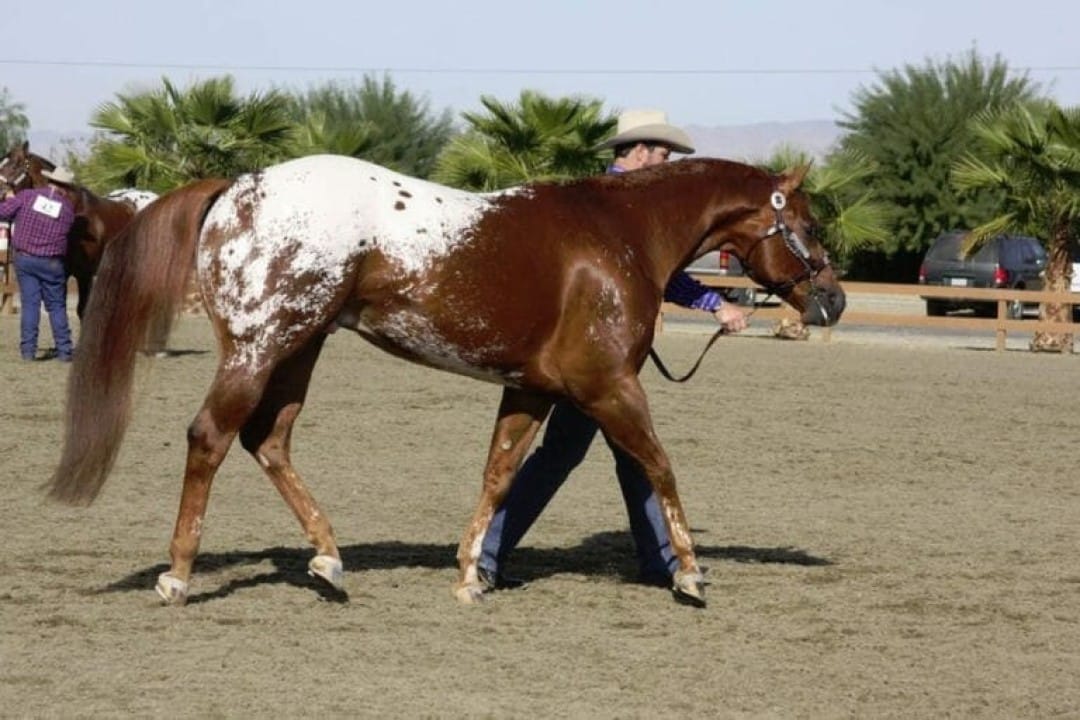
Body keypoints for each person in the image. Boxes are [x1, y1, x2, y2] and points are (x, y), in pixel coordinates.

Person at [478, 109, 750, 590]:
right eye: (663, 156)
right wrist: (714, 304)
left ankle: (655, 560)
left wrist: (712, 303)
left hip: (594, 355)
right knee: (587, 454)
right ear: (640, 151)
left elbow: (656, 274)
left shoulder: (616, 206)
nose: (666, 167)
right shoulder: (609, 207)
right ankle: (491, 552)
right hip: (584, 358)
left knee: (609, 453)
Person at [0, 166, 78, 361]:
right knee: (57, 306)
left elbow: (3, 213)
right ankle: (64, 351)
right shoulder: (68, 209)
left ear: (49, 181)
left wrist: (9, 198)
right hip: (52, 262)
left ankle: (28, 351)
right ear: (65, 188)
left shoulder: (27, 196)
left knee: (30, 305)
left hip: (25, 259)